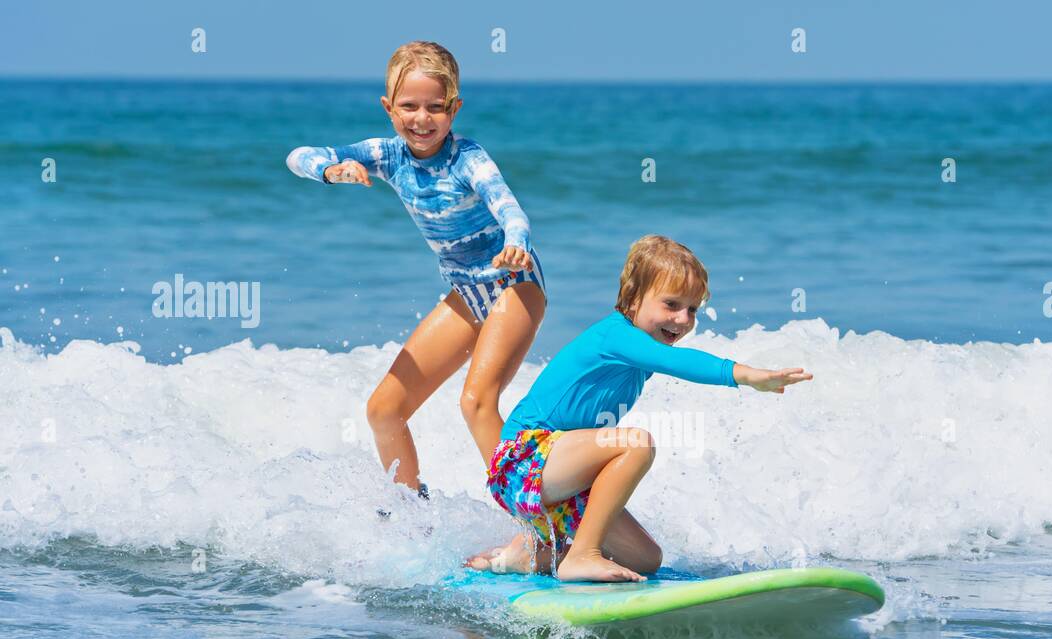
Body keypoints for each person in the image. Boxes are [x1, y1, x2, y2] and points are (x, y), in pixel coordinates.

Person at [287, 40, 545, 536]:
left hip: (515, 285)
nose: (421, 118)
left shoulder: (468, 157)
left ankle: (541, 527)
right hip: (467, 297)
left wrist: (516, 241)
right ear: (388, 108)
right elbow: (298, 155)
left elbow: (509, 206)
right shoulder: (386, 155)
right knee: (384, 410)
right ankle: (412, 521)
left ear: (454, 109)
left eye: (435, 107)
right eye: (408, 106)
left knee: (476, 402)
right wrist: (330, 169)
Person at [469, 235, 812, 583]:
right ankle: (581, 557)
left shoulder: (639, 352)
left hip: (561, 473)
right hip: (522, 460)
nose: (682, 319)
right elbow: (676, 361)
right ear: (633, 299)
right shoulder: (616, 337)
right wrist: (745, 375)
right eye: (671, 304)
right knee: (636, 443)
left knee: (645, 558)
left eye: (692, 309)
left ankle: (524, 555)